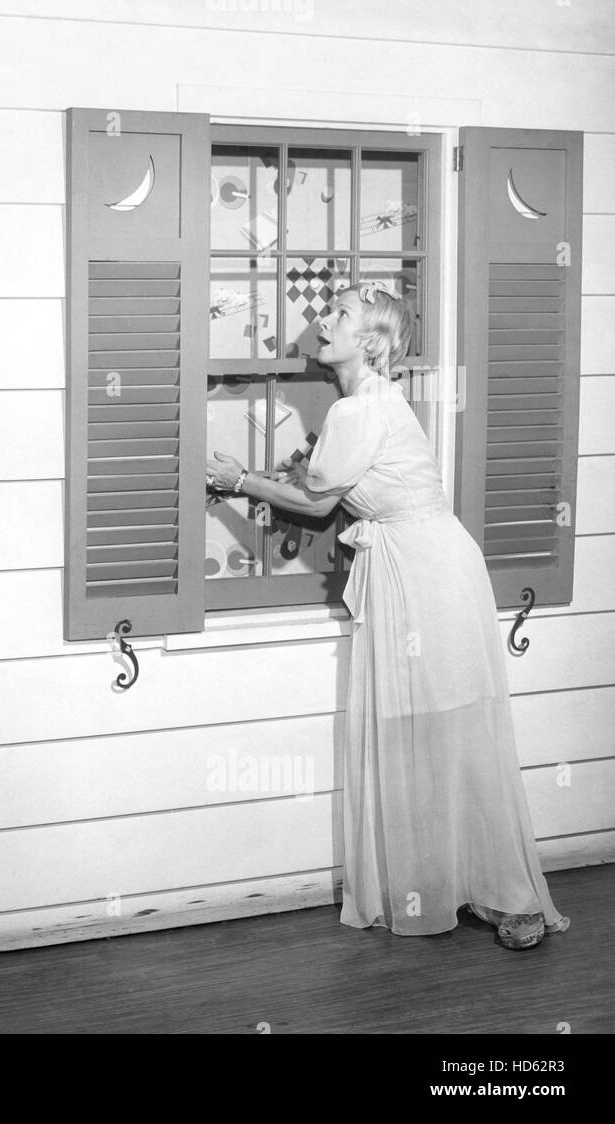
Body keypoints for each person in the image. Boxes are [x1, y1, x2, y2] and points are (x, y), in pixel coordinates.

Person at [206, 281, 568, 950]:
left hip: (428, 569)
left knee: (456, 729)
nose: (325, 319)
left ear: (370, 341)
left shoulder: (361, 409)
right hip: (415, 563)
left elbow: (316, 505)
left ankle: (508, 893)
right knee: (425, 735)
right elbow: (325, 500)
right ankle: (448, 884)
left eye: (339, 313)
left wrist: (237, 482)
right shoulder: (362, 404)